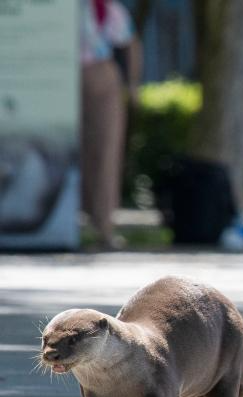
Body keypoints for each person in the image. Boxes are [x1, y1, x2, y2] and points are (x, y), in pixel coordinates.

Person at [79, 0, 139, 249]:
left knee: (106, 152)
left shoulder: (108, 8)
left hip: (99, 71)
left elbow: (131, 43)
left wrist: (133, 85)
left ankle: (103, 227)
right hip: (57, 73)